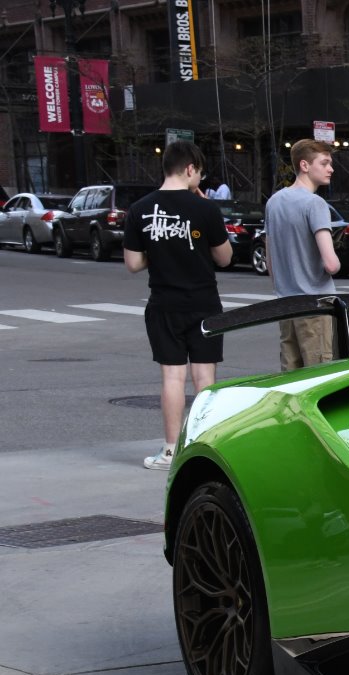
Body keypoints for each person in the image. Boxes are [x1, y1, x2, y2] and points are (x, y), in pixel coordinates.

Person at [122, 139, 233, 471]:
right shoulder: (206, 209)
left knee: (172, 377)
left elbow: (133, 263)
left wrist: (159, 248)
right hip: (204, 303)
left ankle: (170, 451)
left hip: (163, 304)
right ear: (189, 169)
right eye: (199, 171)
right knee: (204, 377)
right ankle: (205, 447)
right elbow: (225, 258)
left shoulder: (139, 209)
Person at [264, 138, 343, 370]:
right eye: (324, 163)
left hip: (286, 302)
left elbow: (271, 262)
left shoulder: (274, 202)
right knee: (318, 373)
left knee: (290, 374)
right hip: (315, 303)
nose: (331, 168)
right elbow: (331, 264)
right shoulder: (315, 204)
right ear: (304, 165)